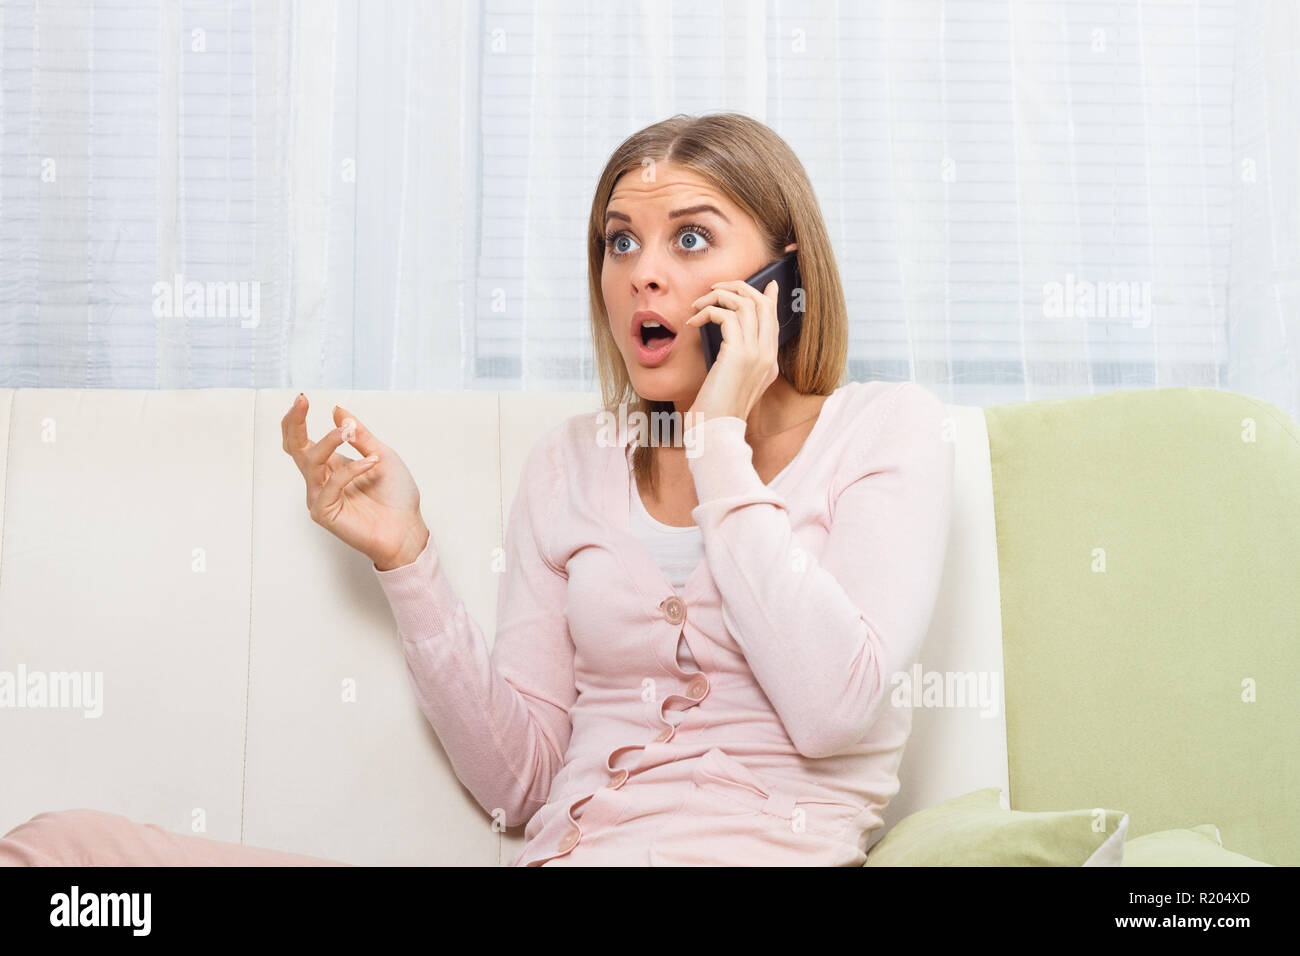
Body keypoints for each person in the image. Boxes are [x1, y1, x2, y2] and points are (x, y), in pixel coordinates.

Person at [1, 111, 953, 866]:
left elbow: (837, 708)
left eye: (690, 239)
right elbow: (521, 786)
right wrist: (408, 561)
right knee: (62, 856)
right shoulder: (570, 464)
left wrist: (716, 440)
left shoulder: (885, 430)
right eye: (621, 245)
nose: (643, 277)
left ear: (784, 278)